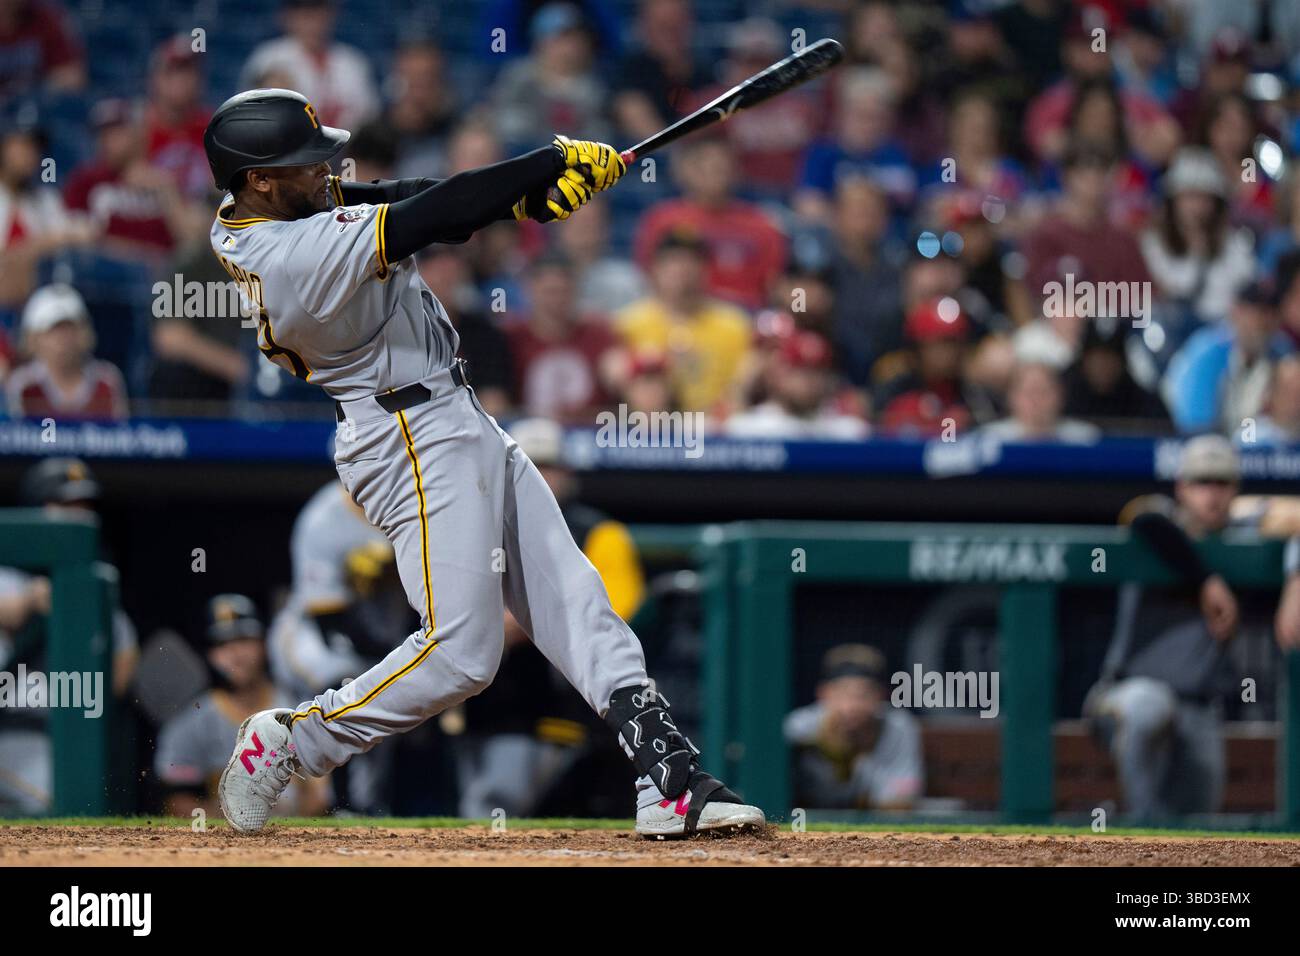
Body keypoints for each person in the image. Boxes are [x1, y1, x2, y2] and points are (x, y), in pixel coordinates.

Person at [203, 88, 762, 837]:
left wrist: (526, 199)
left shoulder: (276, 209)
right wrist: (549, 161)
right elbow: (432, 215)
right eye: (306, 162)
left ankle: (670, 780)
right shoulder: (286, 254)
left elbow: (406, 195)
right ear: (260, 181)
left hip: (450, 414)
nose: (326, 167)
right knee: (462, 655)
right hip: (402, 434)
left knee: (575, 597)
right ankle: (291, 742)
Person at [455, 417, 646, 818]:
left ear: (567, 473)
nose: (540, 476)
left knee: (498, 809)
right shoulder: (480, 525)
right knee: (478, 810)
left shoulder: (598, 532)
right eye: (529, 465)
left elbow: (613, 616)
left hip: (554, 708)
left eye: (549, 466)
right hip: (480, 702)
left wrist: (514, 623)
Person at [1084, 437, 1246, 821]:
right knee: (1147, 707)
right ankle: (1139, 825)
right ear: (1182, 488)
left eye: (1222, 483)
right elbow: (1142, 517)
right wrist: (1206, 580)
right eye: (1202, 482)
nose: (1212, 494)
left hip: (1199, 709)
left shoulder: (1244, 536)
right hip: (1126, 694)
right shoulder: (1162, 523)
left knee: (1196, 830)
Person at [155, 594, 331, 820]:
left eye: (244, 640)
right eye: (223, 645)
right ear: (209, 654)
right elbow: (177, 802)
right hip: (224, 843)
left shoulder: (299, 708)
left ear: (263, 644)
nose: (236, 654)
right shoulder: (193, 722)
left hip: (293, 838)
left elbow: (320, 796)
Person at [616, 229, 754, 416]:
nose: (682, 269)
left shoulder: (734, 325)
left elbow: (742, 385)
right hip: (652, 426)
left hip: (717, 426)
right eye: (673, 261)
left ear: (705, 269)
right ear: (655, 269)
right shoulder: (628, 324)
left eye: (691, 261)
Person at [784, 644, 923, 811]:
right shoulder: (798, 727)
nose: (851, 706)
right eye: (842, 693)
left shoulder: (899, 726)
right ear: (823, 694)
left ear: (881, 695)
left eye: (863, 695)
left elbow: (900, 803)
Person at [238, 0, 379, 130]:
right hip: (289, 152)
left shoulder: (352, 62)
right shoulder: (268, 59)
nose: (312, 22)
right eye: (304, 14)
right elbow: (250, 118)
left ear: (331, 14)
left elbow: (370, 117)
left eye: (317, 12)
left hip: (348, 152)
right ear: (287, 16)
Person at [5, 283, 127, 420]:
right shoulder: (23, 385)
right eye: (52, 330)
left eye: (70, 328)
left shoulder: (107, 380)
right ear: (34, 338)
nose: (62, 339)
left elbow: (122, 432)